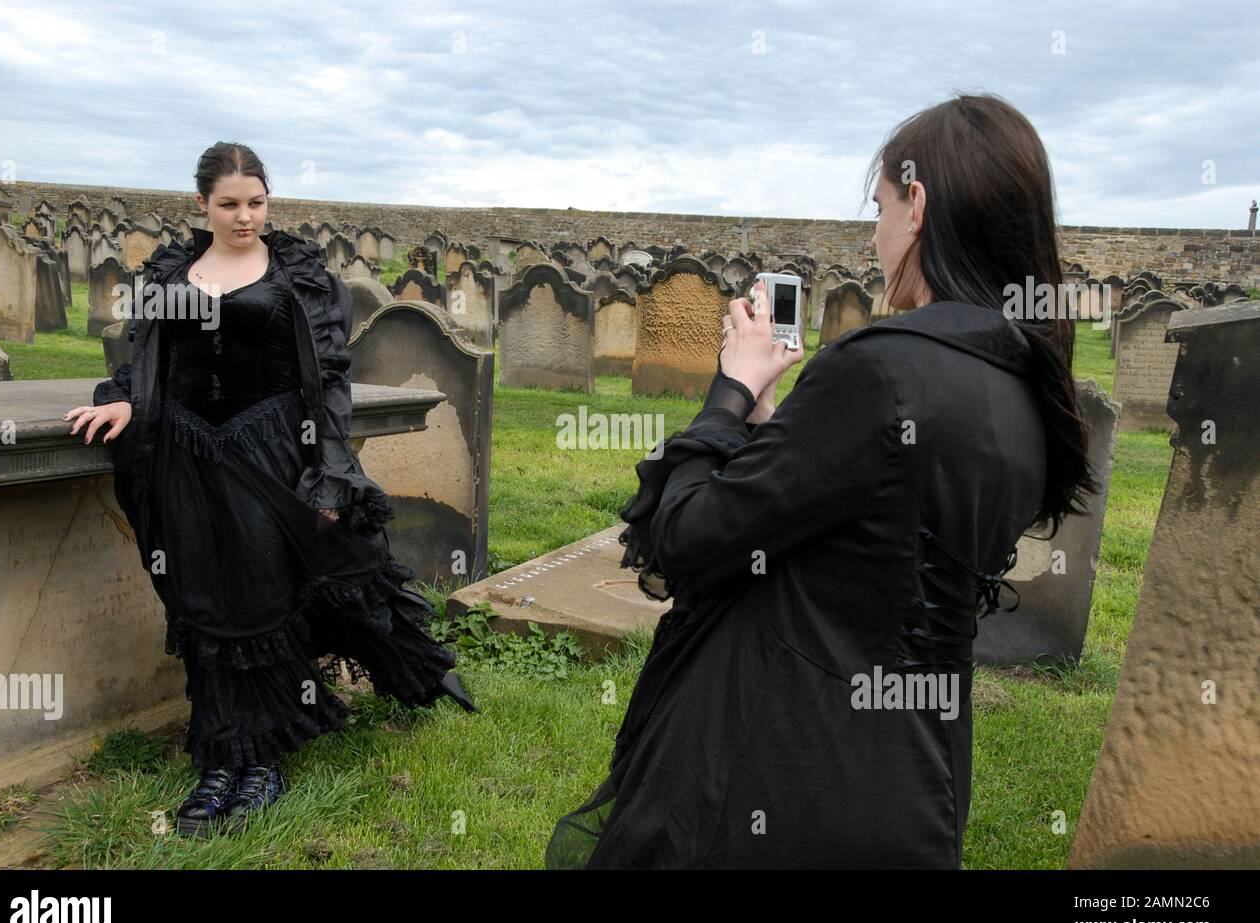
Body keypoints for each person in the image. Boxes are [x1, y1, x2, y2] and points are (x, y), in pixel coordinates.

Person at [546, 93, 1099, 868]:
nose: (874, 233)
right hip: (916, 771)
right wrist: (781, 434)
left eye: (879, 207)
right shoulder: (1027, 387)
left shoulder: (882, 367)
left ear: (920, 204)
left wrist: (731, 395)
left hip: (784, 762)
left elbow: (684, 539)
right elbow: (874, 524)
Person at [64, 142, 476, 838]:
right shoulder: (171, 271)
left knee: (262, 599)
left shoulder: (298, 276)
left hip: (273, 452)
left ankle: (264, 760)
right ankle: (222, 759)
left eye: (256, 202)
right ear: (201, 205)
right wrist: (129, 404)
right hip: (187, 457)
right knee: (205, 601)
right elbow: (152, 359)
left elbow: (328, 379)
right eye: (229, 204)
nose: (245, 216)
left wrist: (328, 467)